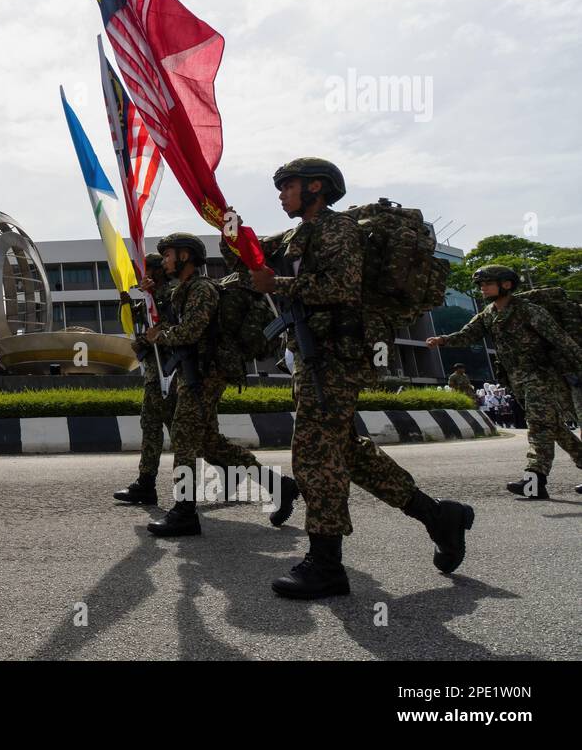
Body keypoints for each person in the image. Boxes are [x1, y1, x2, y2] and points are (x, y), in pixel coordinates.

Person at [250, 158, 474, 599]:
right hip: (314, 355)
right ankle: (438, 517)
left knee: (314, 453)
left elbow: (340, 289)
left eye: (287, 187)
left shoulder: (339, 230)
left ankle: (327, 564)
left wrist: (277, 285)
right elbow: (251, 255)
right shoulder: (300, 234)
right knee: (344, 451)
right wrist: (231, 234)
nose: (280, 195)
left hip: (339, 355)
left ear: (316, 187)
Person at [138, 234, 297, 536]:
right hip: (197, 372)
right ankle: (280, 486)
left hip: (208, 373)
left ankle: (184, 511)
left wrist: (161, 337)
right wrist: (152, 294)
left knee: (184, 437)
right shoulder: (183, 290)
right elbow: (170, 315)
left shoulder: (201, 289)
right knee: (209, 444)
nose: (166, 260)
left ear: (185, 256)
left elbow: (191, 331)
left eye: (169, 254)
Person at [428, 265, 582, 499]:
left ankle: (534, 481)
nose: (483, 288)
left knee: (539, 426)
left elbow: (561, 340)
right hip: (517, 379)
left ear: (506, 284)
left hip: (543, 376)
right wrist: (442, 340)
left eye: (487, 283)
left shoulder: (529, 311)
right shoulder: (489, 314)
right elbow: (468, 334)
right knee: (556, 430)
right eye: (480, 285)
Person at [115, 254, 175, 505]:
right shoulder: (150, 299)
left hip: (172, 375)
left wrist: (154, 297)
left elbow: (169, 326)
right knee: (150, 426)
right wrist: (125, 302)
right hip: (154, 375)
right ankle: (146, 484)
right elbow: (134, 323)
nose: (140, 276)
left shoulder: (172, 294)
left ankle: (234, 471)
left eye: (144, 270)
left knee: (194, 437)